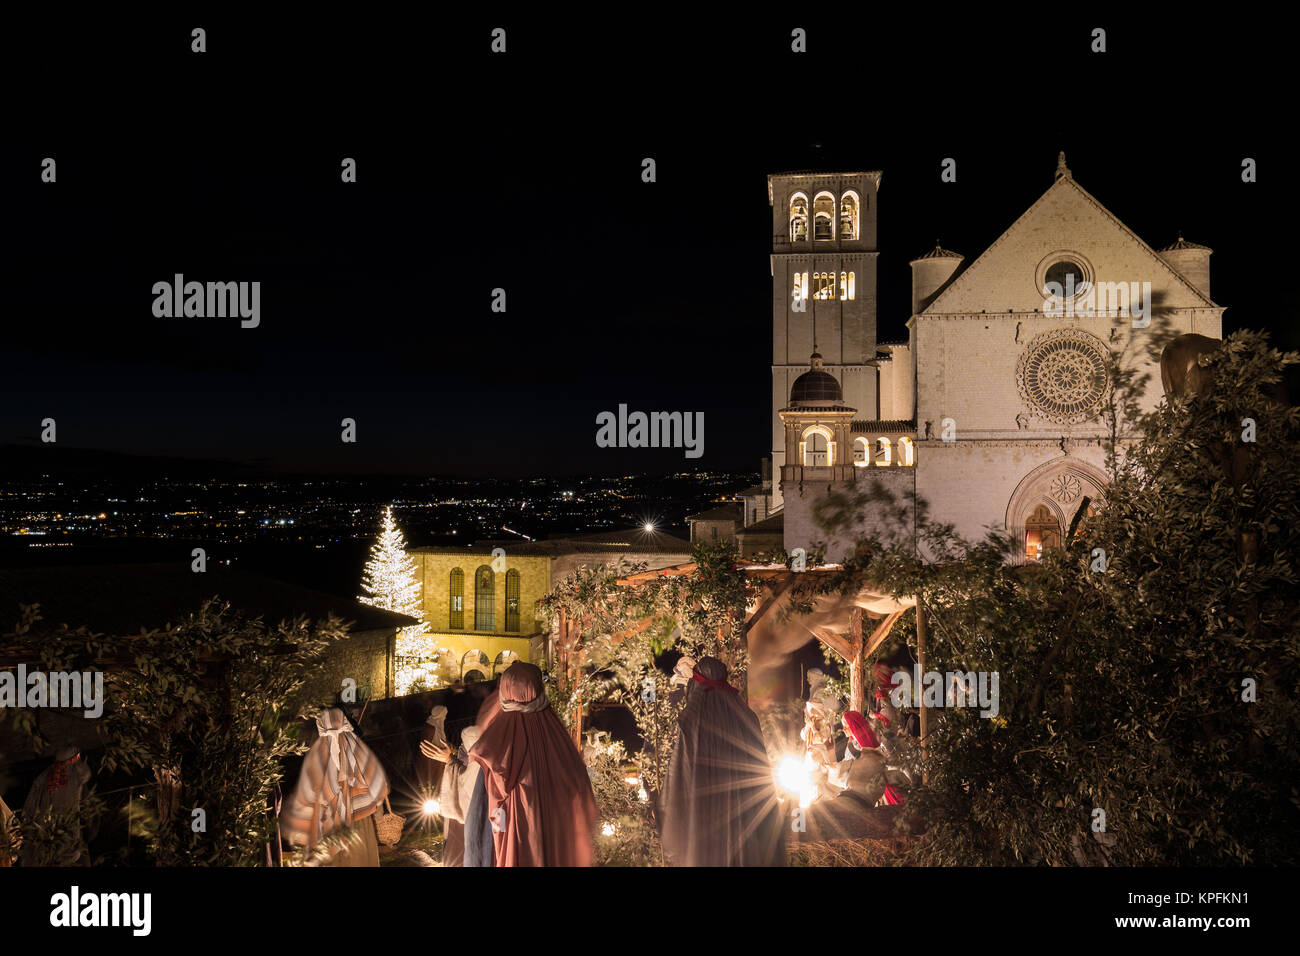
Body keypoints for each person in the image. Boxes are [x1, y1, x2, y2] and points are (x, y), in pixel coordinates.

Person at [659, 656, 787, 866]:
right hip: (743, 812)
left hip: (704, 813)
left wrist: (667, 806)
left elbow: (681, 770)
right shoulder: (746, 717)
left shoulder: (691, 720)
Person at [468, 661, 598, 866]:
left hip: (519, 835)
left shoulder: (498, 739)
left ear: (504, 692)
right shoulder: (557, 736)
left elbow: (494, 801)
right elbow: (578, 786)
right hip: (557, 835)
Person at [281, 707, 390, 866]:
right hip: (357, 821)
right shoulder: (357, 753)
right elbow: (377, 785)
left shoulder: (320, 755)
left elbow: (309, 795)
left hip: (338, 822)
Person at [21, 745, 93, 866]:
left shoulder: (44, 777)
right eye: (77, 757)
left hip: (48, 838)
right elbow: (86, 774)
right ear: (73, 759)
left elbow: (30, 807)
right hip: (68, 839)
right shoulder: (76, 775)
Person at [427, 723, 486, 867]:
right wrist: (449, 759)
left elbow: (464, 781)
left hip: (474, 820)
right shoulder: (478, 760)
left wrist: (449, 759)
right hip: (468, 821)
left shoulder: (478, 764)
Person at [416, 704, 449, 799]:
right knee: (432, 779)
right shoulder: (431, 727)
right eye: (444, 714)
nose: (445, 717)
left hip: (439, 757)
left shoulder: (437, 724)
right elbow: (427, 744)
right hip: (432, 759)